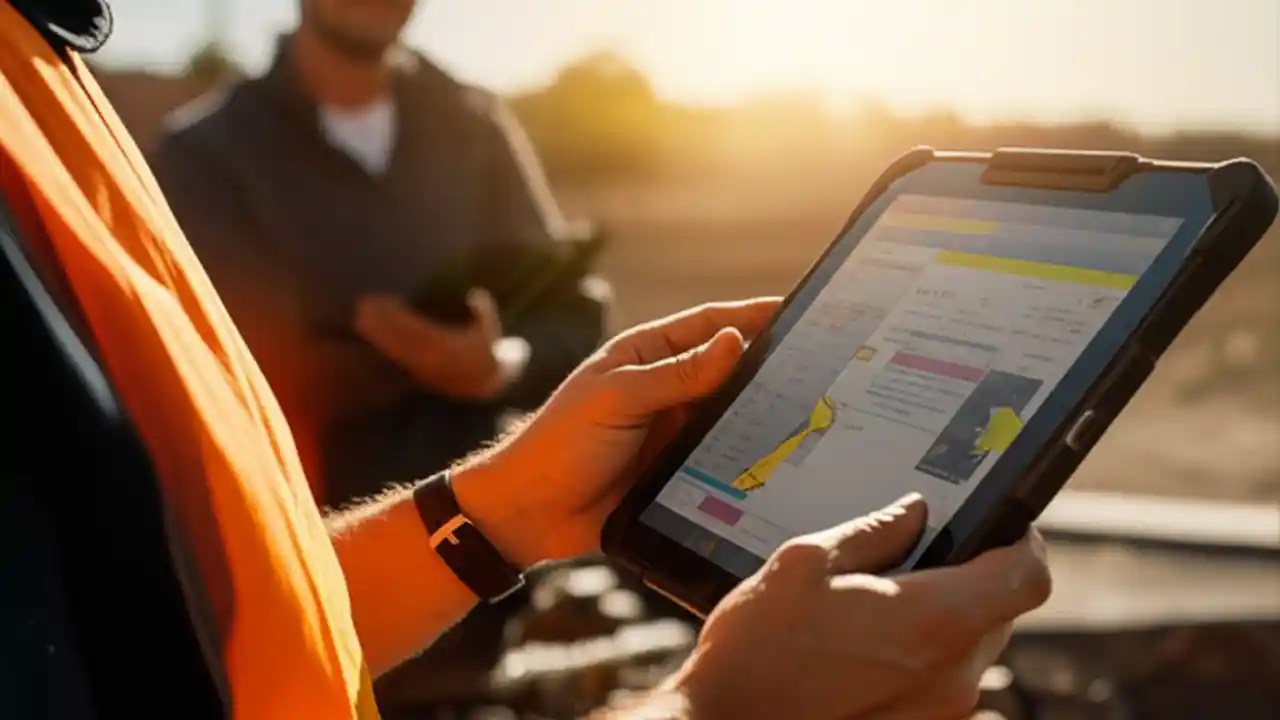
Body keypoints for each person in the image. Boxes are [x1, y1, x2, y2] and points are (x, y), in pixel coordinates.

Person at [0, 1, 1052, 718]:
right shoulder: (193, 150)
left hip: (442, 616)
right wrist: (706, 711)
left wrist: (490, 507)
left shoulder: (46, 67)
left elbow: (158, 615)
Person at [150, 0, 608, 507]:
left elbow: (571, 312)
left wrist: (499, 365)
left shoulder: (474, 126)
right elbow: (228, 377)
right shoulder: (204, 157)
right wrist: (417, 362)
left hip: (491, 533)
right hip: (316, 544)